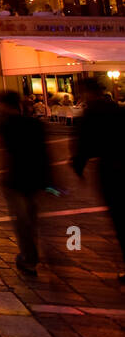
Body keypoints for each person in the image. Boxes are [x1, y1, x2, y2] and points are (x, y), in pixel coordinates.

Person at [72, 79, 125, 283]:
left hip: (112, 168)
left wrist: (78, 166)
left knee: (120, 217)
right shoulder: (118, 109)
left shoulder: (92, 113)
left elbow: (85, 143)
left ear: (86, 92)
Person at [0, 90, 50, 277]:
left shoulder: (5, 124)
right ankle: (33, 254)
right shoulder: (35, 124)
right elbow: (46, 151)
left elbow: (2, 150)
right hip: (36, 176)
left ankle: (29, 257)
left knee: (22, 220)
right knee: (31, 217)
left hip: (15, 178)